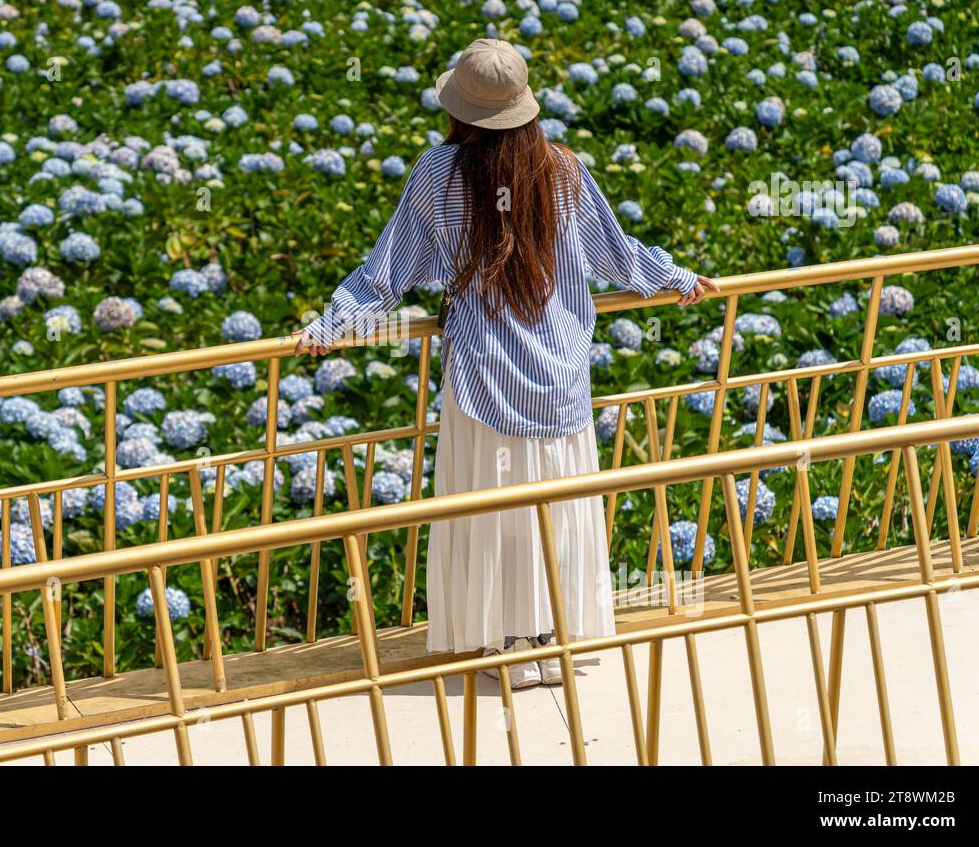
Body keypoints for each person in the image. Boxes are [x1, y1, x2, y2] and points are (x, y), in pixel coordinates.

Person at [295, 38, 718, 689]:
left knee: (497, 511)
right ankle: (553, 636)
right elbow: (620, 258)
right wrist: (678, 276)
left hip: (484, 376)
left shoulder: (440, 173)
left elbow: (387, 273)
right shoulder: (563, 170)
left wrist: (331, 324)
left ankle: (510, 640)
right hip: (560, 377)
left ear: (461, 112)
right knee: (559, 509)